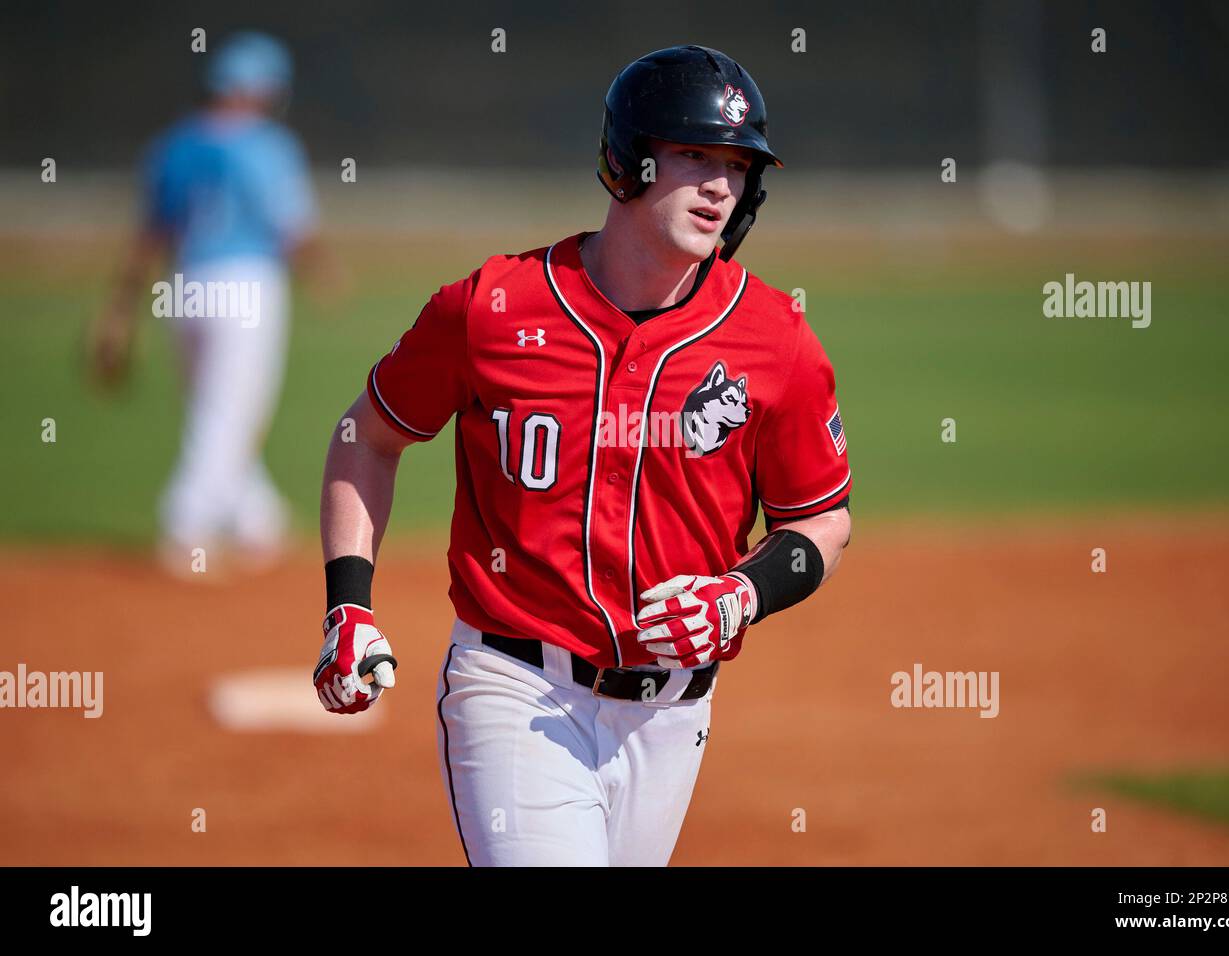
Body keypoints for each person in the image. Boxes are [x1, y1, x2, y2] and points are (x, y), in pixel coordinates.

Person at [314, 45, 853, 866]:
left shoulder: (775, 337)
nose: (721, 186)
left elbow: (821, 520)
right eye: (696, 155)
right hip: (514, 689)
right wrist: (348, 605)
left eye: (739, 167)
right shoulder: (494, 308)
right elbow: (368, 437)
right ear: (630, 158)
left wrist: (742, 596)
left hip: (674, 715)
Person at [88, 31, 326, 572]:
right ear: (259, 90)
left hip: (186, 283)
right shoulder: (268, 145)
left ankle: (254, 518)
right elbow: (294, 227)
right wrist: (323, 272)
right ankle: (187, 524)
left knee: (214, 408)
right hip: (248, 283)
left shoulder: (175, 145)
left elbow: (149, 236)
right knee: (230, 411)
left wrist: (120, 309)